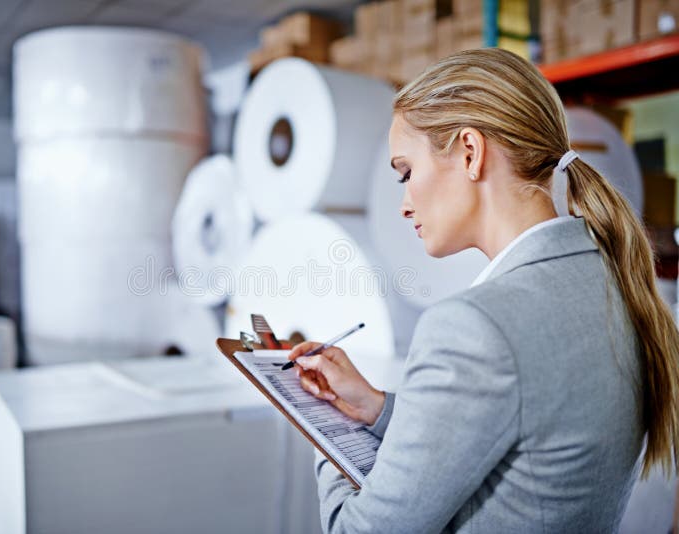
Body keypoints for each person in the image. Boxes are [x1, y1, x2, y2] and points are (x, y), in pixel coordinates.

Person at [286, 48, 679, 533]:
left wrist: (325, 428)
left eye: (407, 173)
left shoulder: (476, 326)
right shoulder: (612, 281)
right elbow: (516, 435)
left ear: (470, 152)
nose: (404, 204)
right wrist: (378, 409)